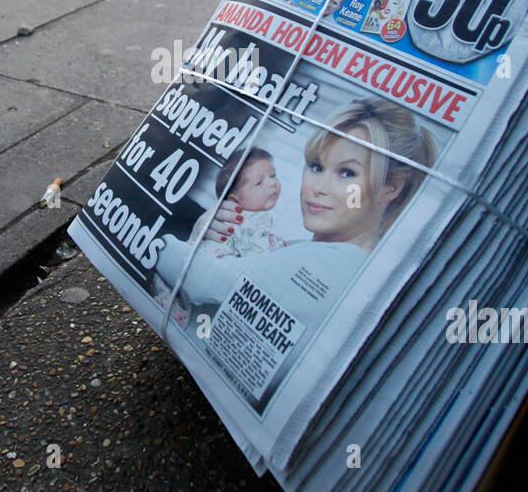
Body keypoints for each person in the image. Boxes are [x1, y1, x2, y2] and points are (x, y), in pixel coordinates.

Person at [154, 98, 436, 330]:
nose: (319, 188)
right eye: (316, 166)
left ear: (390, 188)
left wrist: (166, 242)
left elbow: (199, 280)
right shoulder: (308, 252)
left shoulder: (328, 264)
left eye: (347, 173)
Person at [210, 146, 286, 258]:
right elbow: (260, 253)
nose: (272, 183)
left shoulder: (253, 219)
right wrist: (281, 247)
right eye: (259, 183)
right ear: (234, 201)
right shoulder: (245, 223)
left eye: (273, 176)